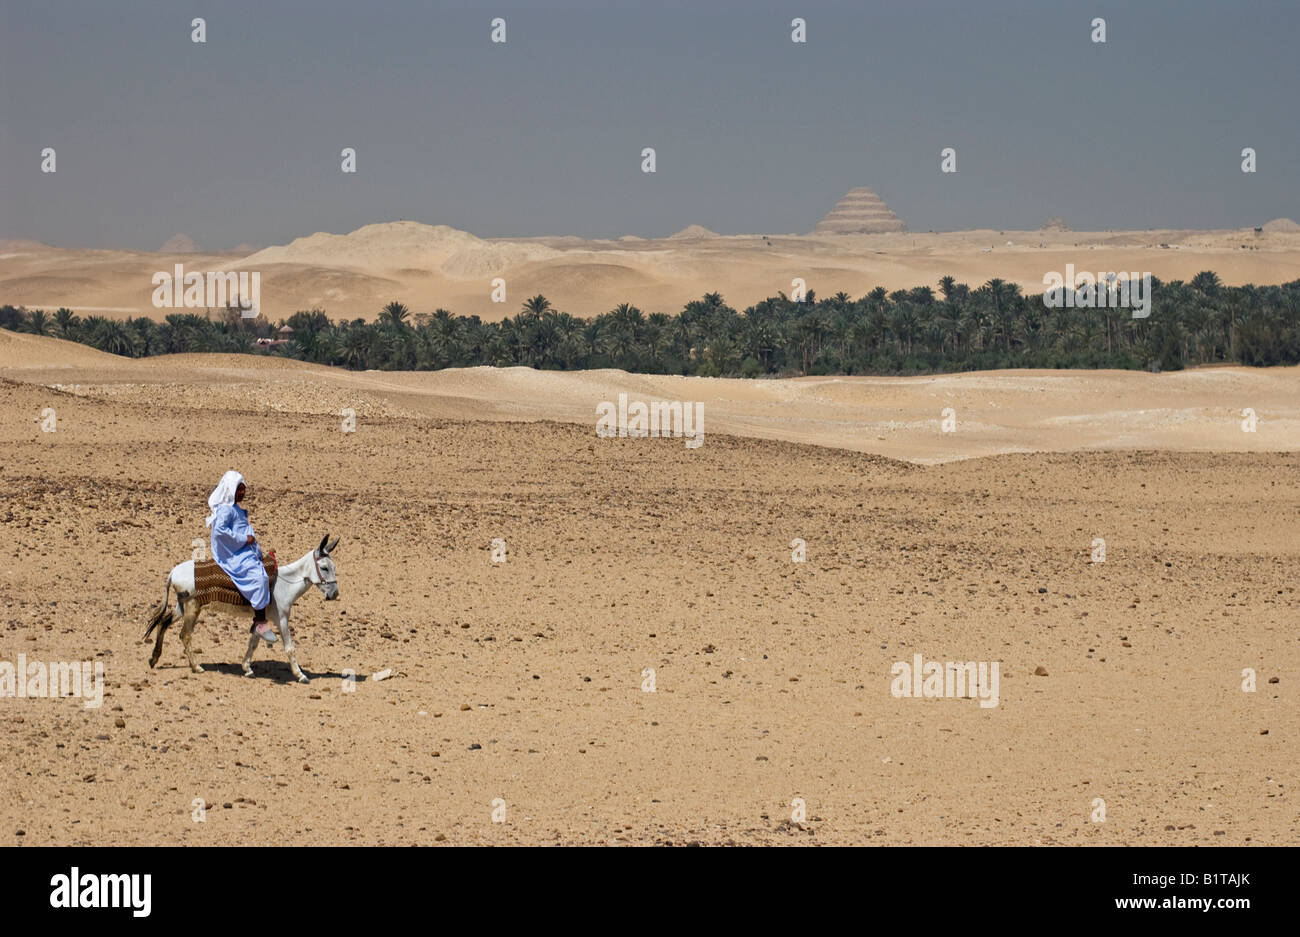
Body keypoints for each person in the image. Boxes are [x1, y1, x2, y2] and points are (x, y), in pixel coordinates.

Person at [206, 470, 277, 643]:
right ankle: (259, 623)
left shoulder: (236, 509)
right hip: (233, 554)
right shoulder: (226, 510)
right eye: (239, 490)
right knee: (260, 578)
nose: (243, 493)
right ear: (231, 490)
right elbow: (219, 532)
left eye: (244, 489)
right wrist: (244, 539)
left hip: (242, 549)